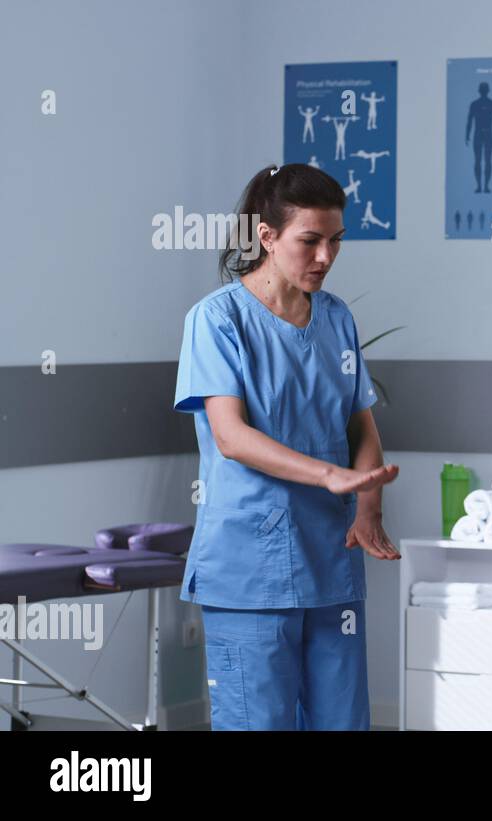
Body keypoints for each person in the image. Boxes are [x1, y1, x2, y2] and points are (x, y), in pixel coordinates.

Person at [173, 163, 401, 730]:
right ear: (267, 237)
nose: (326, 256)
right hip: (250, 567)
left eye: (336, 242)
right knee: (259, 721)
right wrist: (329, 477)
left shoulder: (336, 318)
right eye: (310, 241)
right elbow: (231, 436)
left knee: (342, 721)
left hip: (331, 555)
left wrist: (368, 504)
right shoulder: (217, 320)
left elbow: (360, 425)